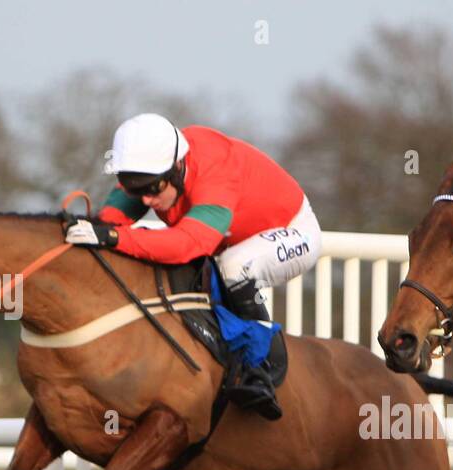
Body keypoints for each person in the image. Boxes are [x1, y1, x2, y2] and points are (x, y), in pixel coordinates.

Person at [63, 114, 323, 420]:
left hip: (294, 231)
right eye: (137, 190)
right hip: (231, 238)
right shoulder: (155, 167)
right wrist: (94, 230)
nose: (147, 199)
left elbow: (189, 244)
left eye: (154, 188)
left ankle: (258, 368)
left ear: (177, 169)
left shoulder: (216, 172)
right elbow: (111, 219)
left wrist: (114, 237)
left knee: (234, 266)